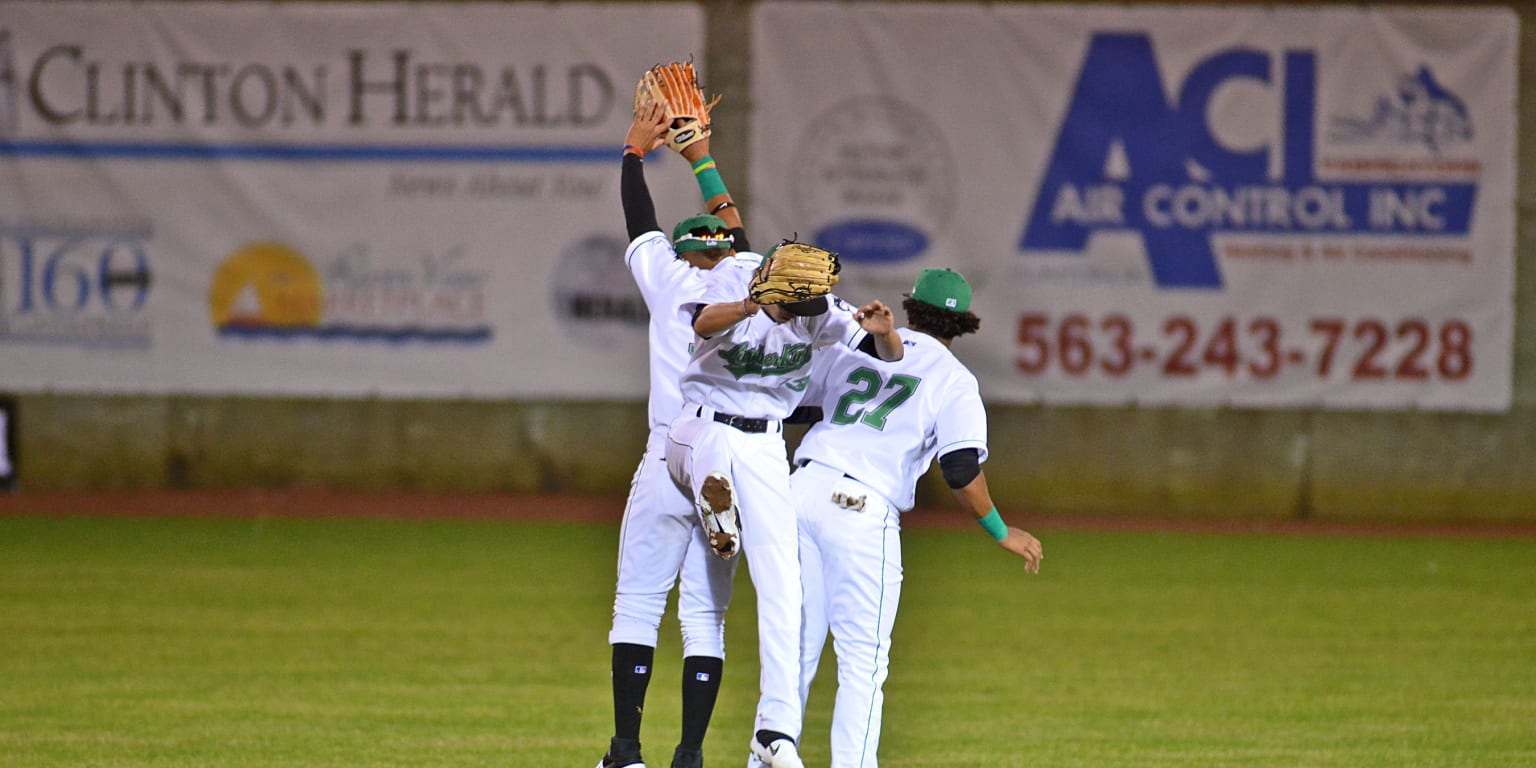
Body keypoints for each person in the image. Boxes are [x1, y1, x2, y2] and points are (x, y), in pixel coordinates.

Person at [786, 268, 1044, 768]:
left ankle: (766, 757)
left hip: (801, 491)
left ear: (910, 309)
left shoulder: (853, 348)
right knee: (862, 663)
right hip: (859, 510)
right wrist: (999, 530)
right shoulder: (954, 380)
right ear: (963, 324)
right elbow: (961, 470)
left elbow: (793, 407)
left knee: (791, 652)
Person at [664, 247, 905, 768]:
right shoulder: (735, 293)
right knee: (711, 455)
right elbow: (704, 322)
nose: (809, 304)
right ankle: (717, 503)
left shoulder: (818, 313)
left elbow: (889, 357)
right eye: (800, 295)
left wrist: (885, 331)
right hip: (700, 424)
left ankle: (776, 731)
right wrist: (752, 303)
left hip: (766, 445)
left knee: (784, 587)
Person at [595, 101, 749, 768]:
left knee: (636, 602)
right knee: (704, 618)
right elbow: (737, 235)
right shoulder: (749, 277)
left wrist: (634, 154)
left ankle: (626, 752)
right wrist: (703, 161)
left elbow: (640, 222)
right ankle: (689, 756)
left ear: (682, 249)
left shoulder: (667, 278)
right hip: (732, 453)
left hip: (669, 449)